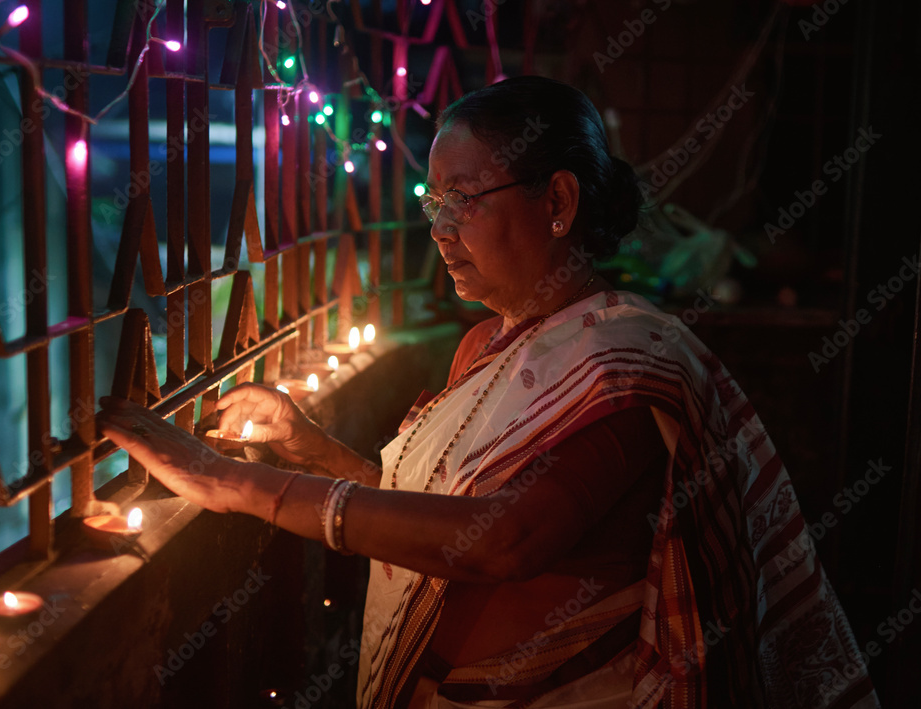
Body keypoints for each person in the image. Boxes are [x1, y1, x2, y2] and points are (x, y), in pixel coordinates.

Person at [99, 76, 879, 708]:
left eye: (464, 199)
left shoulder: (625, 364)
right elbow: (435, 516)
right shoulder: (485, 346)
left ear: (560, 203)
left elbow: (505, 540)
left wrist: (234, 483)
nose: (441, 229)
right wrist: (305, 443)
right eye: (433, 202)